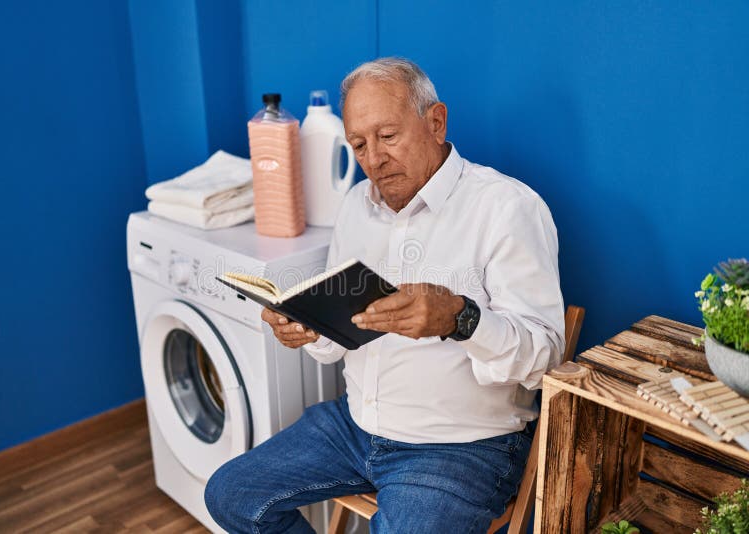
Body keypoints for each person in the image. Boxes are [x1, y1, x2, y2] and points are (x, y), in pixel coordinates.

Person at [204, 57, 565, 533]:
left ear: (436, 122)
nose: (373, 158)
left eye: (388, 136)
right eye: (358, 144)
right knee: (230, 495)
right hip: (354, 426)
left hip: (461, 443)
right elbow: (339, 339)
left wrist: (461, 319)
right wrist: (308, 328)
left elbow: (546, 360)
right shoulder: (356, 205)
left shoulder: (507, 208)